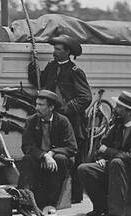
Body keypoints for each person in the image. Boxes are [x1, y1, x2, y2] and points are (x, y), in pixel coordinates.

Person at [28, 33, 93, 203]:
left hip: (73, 121)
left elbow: (85, 97)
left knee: (75, 159)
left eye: (57, 50)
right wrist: (33, 64)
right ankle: (57, 196)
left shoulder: (75, 71)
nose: (54, 52)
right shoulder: (51, 67)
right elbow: (38, 80)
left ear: (67, 52)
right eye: (54, 49)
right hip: (54, 120)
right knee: (57, 157)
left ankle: (75, 197)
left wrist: (66, 109)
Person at [77, 91, 131, 216]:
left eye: (119, 107)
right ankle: (101, 207)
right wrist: (101, 157)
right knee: (84, 169)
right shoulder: (117, 126)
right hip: (117, 166)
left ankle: (117, 214)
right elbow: (102, 146)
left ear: (129, 112)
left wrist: (108, 152)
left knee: (116, 163)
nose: (115, 109)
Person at [19, 90, 78, 213]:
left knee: (60, 159)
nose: (37, 108)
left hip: (57, 160)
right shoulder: (31, 121)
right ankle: (24, 199)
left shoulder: (63, 121)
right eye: (36, 104)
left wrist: (52, 153)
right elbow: (27, 146)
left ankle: (51, 204)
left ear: (51, 107)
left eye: (41, 105)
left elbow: (72, 147)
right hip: (39, 158)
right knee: (27, 159)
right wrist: (43, 155)